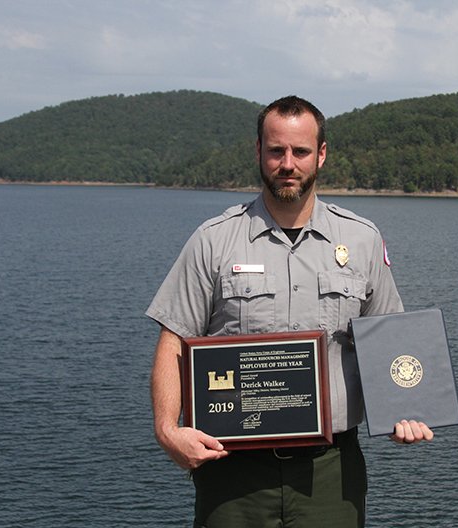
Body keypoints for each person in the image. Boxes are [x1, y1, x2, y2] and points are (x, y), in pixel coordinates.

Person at [147, 95, 433, 527]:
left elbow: (390, 339)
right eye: (277, 150)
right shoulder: (213, 240)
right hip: (233, 471)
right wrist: (167, 431)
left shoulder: (362, 240)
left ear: (321, 155)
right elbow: (173, 342)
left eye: (300, 151)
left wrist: (403, 409)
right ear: (258, 151)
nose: (288, 163)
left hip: (331, 471)